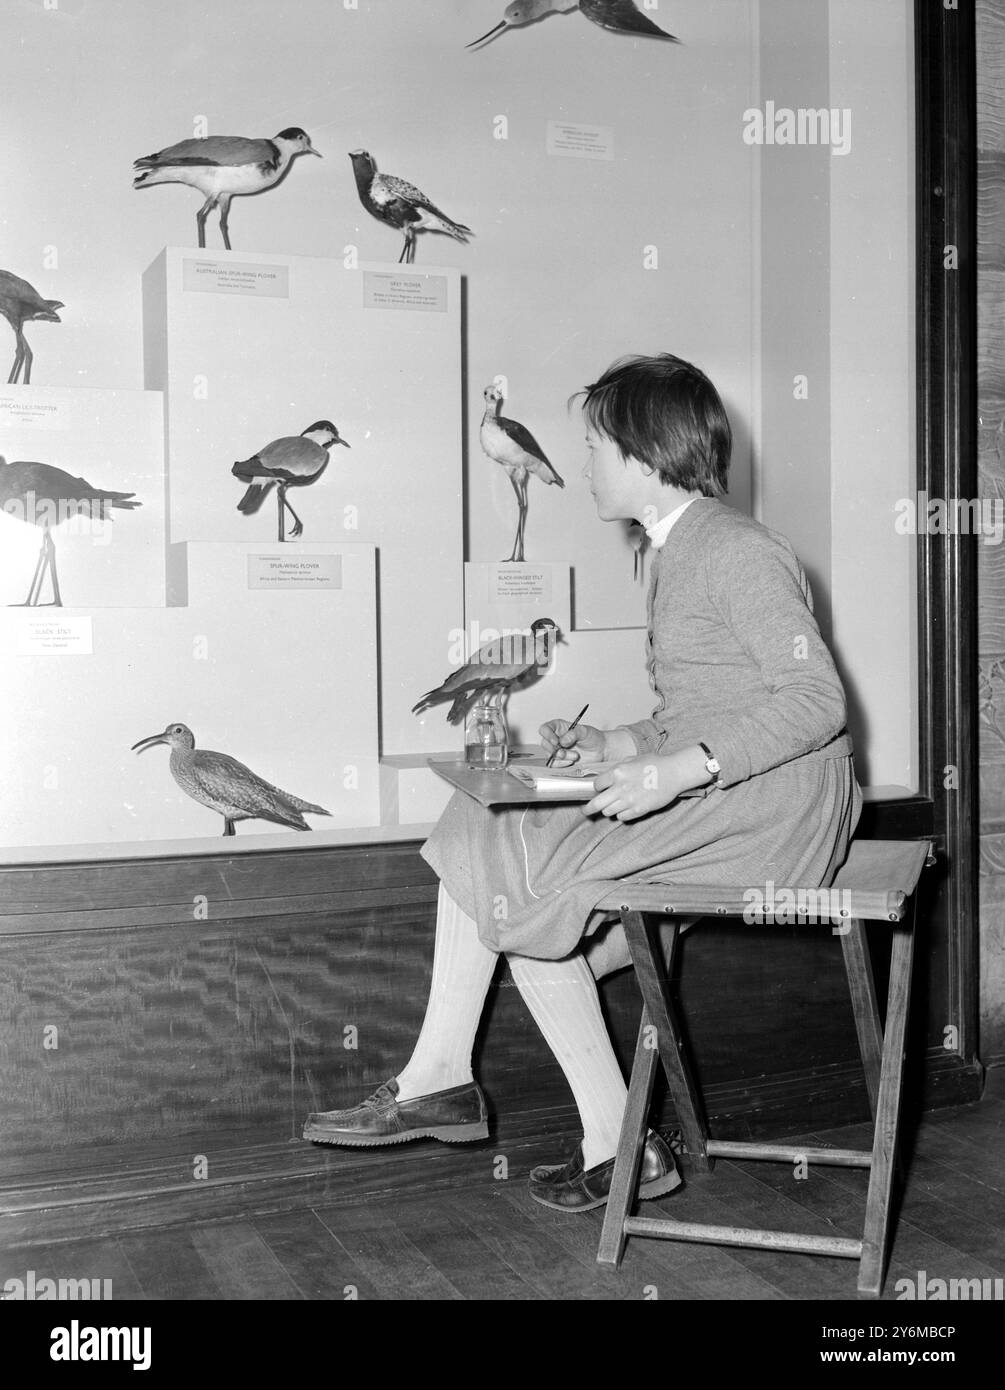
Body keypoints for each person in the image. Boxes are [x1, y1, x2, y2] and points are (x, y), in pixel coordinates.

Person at [303, 352, 862, 1212]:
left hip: (777, 811)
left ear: (644, 455)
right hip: (734, 789)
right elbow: (709, 702)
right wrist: (615, 740)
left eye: (597, 445)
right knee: (497, 846)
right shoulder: (678, 547)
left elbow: (814, 700)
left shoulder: (735, 548)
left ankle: (453, 1081)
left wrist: (674, 769)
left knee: (529, 881)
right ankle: (606, 1142)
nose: (588, 463)